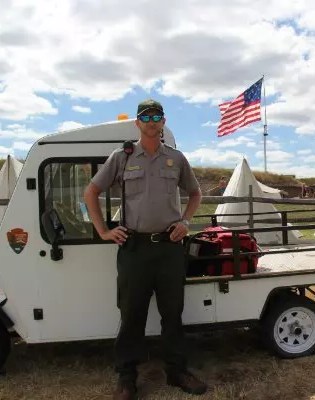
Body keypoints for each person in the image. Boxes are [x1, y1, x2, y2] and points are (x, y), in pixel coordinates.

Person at [84, 99, 207, 400]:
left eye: (157, 116)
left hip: (169, 249)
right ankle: (127, 379)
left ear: (163, 122)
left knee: (173, 314)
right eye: (146, 116)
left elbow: (195, 193)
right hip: (134, 249)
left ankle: (177, 372)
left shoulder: (176, 159)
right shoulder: (122, 157)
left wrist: (186, 222)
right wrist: (103, 231)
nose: (152, 121)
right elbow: (91, 192)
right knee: (131, 316)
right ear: (137, 123)